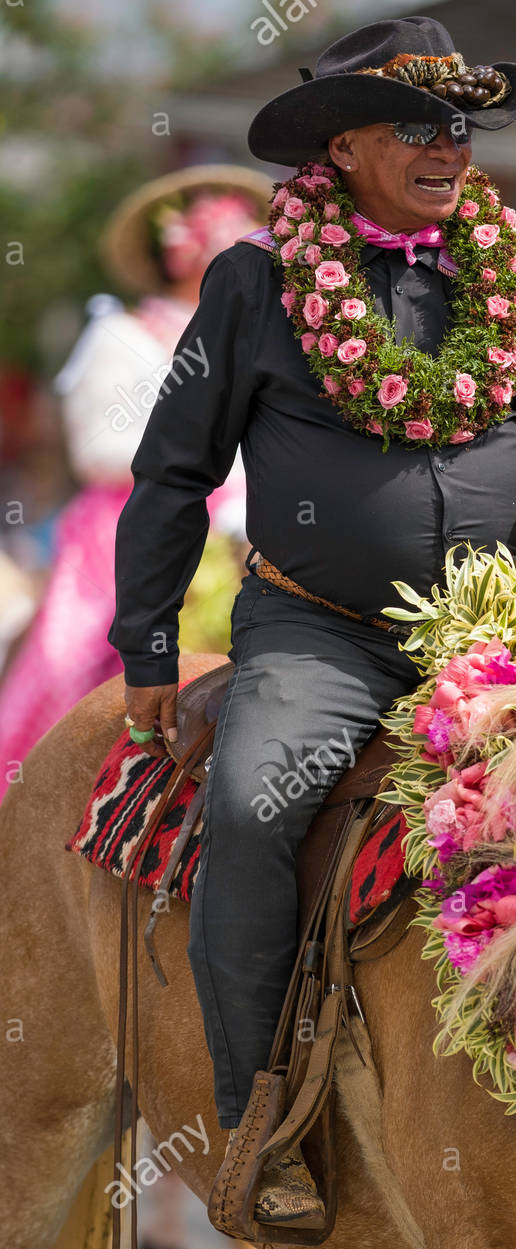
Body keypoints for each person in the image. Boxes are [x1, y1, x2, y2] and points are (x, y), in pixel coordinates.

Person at [108, 15, 516, 1227]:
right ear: (339, 147)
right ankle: (260, 1127)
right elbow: (172, 474)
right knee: (251, 804)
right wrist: (146, 645)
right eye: (415, 125)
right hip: (321, 633)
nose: (448, 148)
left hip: (498, 623)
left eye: (459, 125)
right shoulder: (254, 280)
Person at [0, 166, 271, 802]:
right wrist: (199, 466)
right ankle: (47, 790)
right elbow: (98, 448)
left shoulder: (260, 335)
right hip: (133, 520)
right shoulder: (120, 333)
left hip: (242, 522)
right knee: (78, 661)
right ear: (174, 247)